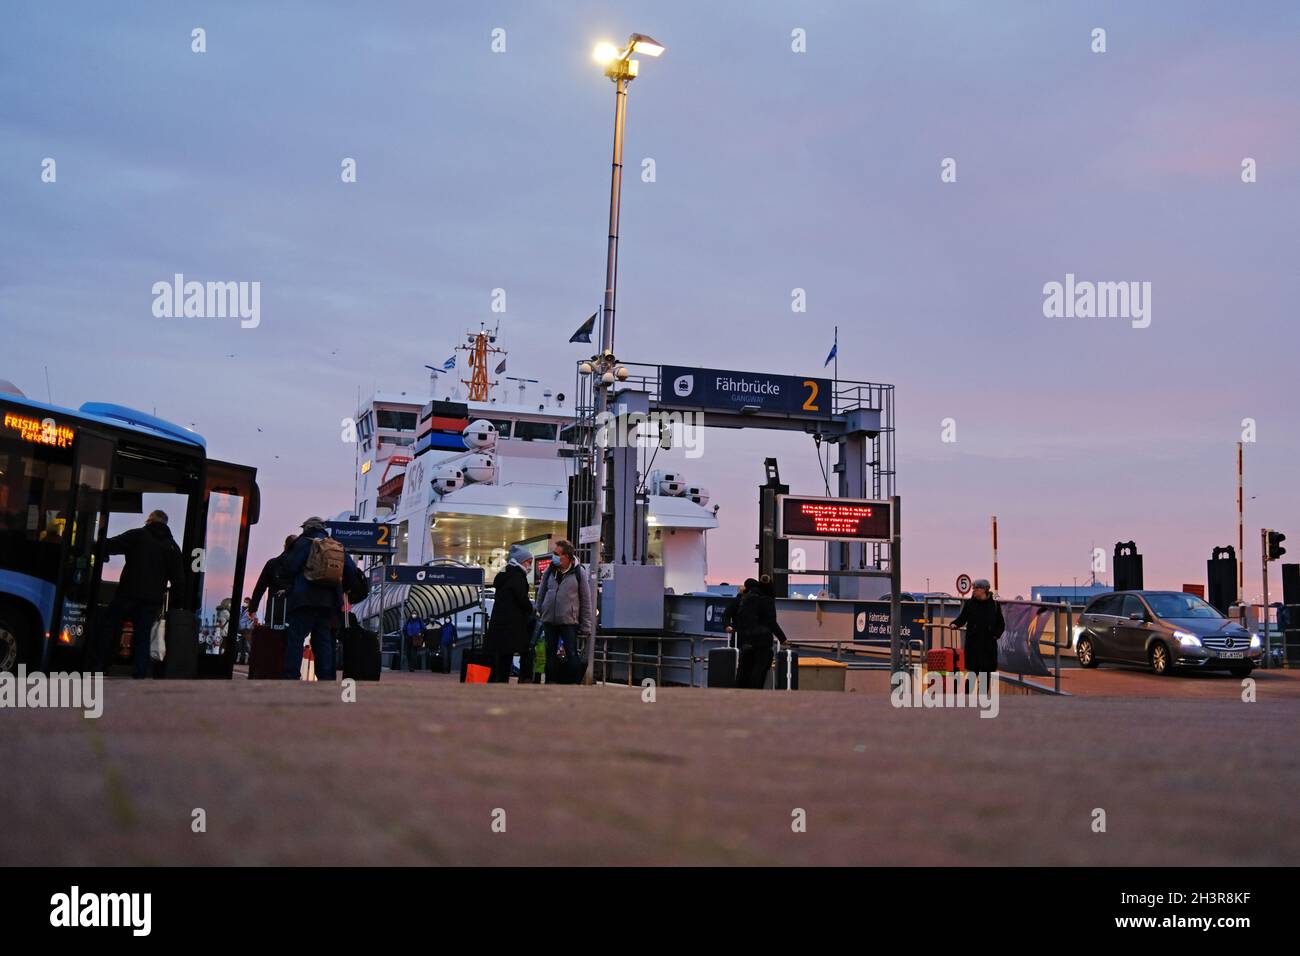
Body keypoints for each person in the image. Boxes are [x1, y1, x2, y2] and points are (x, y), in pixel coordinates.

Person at [95, 509, 185, 678]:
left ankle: (101, 665)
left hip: (128, 593)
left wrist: (100, 531)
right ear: (165, 524)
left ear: (149, 521)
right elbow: (178, 580)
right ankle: (140, 672)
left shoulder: (137, 536)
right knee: (143, 635)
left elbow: (109, 545)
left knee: (109, 626)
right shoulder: (172, 547)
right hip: (152, 600)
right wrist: (176, 603)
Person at [280, 516, 358, 681]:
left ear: (307, 527)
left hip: (303, 600)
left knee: (296, 639)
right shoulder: (335, 545)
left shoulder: (303, 542)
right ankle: (326, 678)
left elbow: (289, 567)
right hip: (328, 604)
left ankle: (290, 676)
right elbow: (351, 569)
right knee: (323, 641)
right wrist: (345, 589)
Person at [535, 539, 594, 684]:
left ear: (567, 556)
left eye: (556, 554)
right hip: (549, 620)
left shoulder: (579, 573)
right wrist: (539, 610)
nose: (553, 557)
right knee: (550, 654)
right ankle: (550, 682)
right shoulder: (550, 570)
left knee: (572, 653)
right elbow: (542, 591)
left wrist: (586, 625)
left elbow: (586, 600)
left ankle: (572, 683)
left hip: (569, 621)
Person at [485, 545, 534, 683]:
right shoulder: (518, 577)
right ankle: (510, 681)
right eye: (528, 562)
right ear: (520, 561)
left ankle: (497, 680)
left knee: (499, 656)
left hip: (499, 624)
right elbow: (522, 600)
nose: (530, 566)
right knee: (511, 655)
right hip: (512, 625)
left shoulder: (504, 576)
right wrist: (531, 608)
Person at [734, 577, 788, 688]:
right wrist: (782, 638)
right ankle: (755, 692)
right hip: (762, 640)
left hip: (746, 639)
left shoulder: (745, 600)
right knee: (760, 668)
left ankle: (741, 691)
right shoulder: (767, 600)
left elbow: (740, 619)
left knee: (745, 667)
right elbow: (771, 622)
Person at [951, 578, 1004, 685]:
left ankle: (983, 697)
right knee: (972, 671)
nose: (973, 591)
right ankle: (968, 695)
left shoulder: (994, 605)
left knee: (986, 671)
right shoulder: (970, 604)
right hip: (973, 642)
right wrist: (955, 623)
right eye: (973, 588)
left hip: (988, 644)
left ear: (984, 590)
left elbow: (1001, 624)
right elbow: (962, 618)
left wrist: (996, 635)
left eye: (976, 589)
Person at [248, 534, 298, 627]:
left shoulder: (272, 563)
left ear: (285, 546)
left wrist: (252, 609)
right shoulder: (300, 566)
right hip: (292, 613)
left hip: (273, 612)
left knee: (271, 639)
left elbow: (260, 588)